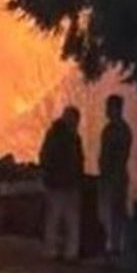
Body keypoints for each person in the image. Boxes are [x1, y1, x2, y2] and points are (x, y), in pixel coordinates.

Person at [39, 106, 84, 261]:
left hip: (60, 183)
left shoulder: (56, 135)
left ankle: (55, 251)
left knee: (56, 218)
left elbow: (45, 157)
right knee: (67, 219)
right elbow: (77, 161)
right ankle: (69, 252)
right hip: (63, 183)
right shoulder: (69, 137)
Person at [98, 94, 132, 256]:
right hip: (114, 177)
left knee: (113, 213)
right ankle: (115, 245)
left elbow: (114, 156)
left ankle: (114, 246)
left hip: (114, 178)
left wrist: (107, 173)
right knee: (114, 212)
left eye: (109, 107)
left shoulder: (118, 131)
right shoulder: (115, 129)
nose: (106, 111)